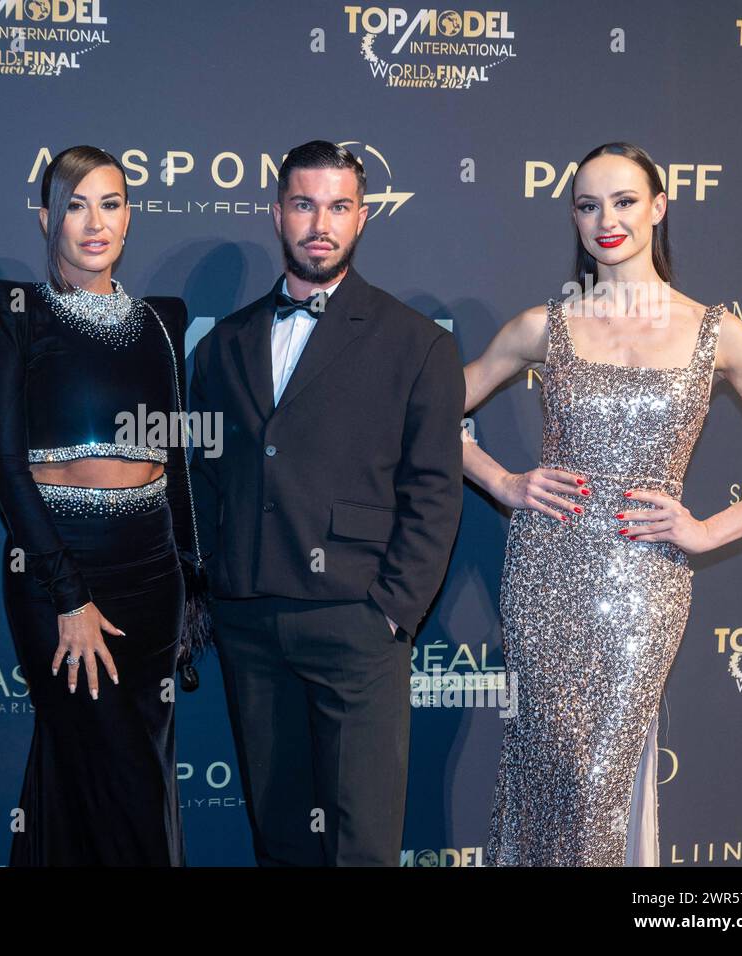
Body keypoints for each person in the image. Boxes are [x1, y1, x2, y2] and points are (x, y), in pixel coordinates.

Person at [462, 142, 742, 866]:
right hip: (545, 575)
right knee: (548, 771)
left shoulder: (718, 334)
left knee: (600, 783)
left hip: (645, 588)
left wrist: (710, 530)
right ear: (574, 217)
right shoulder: (542, 327)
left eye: (624, 201)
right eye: (589, 205)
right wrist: (503, 482)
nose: (607, 220)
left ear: (658, 207)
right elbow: (425, 413)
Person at [189, 141, 465, 866]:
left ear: (362, 217)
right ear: (277, 213)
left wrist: (391, 609)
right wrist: (220, 585)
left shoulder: (417, 344)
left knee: (360, 842)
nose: (321, 223)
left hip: (356, 619)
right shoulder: (222, 345)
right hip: (250, 619)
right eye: (305, 204)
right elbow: (202, 474)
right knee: (279, 837)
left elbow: (433, 488)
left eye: (338, 206)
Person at [0, 145, 199, 865]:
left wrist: (193, 578)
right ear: (47, 218)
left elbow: (179, 460)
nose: (93, 223)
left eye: (110, 203)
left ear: (130, 218)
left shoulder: (165, 320)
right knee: (110, 774)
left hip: (152, 579)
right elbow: (4, 468)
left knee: (128, 772)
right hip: (57, 574)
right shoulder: (15, 309)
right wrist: (68, 595)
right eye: (75, 205)